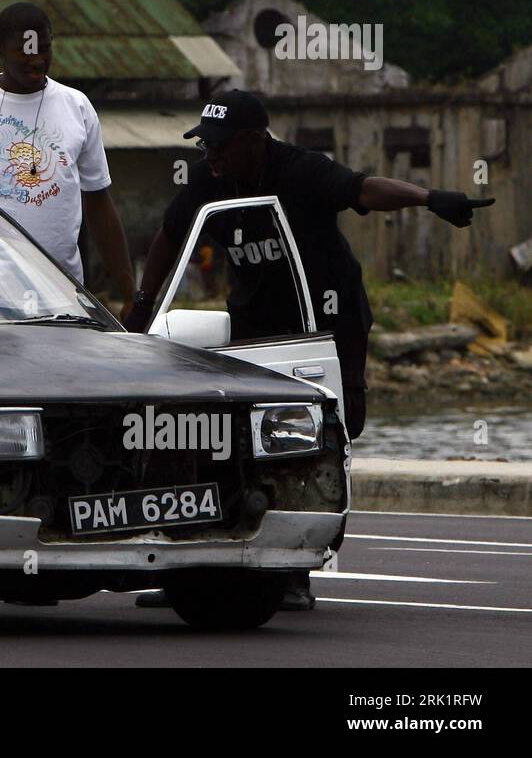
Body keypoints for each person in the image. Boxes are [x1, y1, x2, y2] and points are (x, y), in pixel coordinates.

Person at [124, 89, 493, 609]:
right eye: (207, 146)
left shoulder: (301, 171)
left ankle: (295, 569)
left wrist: (429, 199)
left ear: (256, 139)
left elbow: (363, 189)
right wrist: (142, 303)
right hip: (255, 329)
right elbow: (169, 233)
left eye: (223, 146)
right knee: (227, 443)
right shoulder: (210, 180)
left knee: (323, 439)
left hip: (328, 323)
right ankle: (199, 569)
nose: (213, 156)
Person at [0, 2, 135, 314]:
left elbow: (98, 200)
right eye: (24, 51)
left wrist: (129, 291)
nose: (37, 60)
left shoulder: (77, 107)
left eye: (44, 49)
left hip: (61, 295)